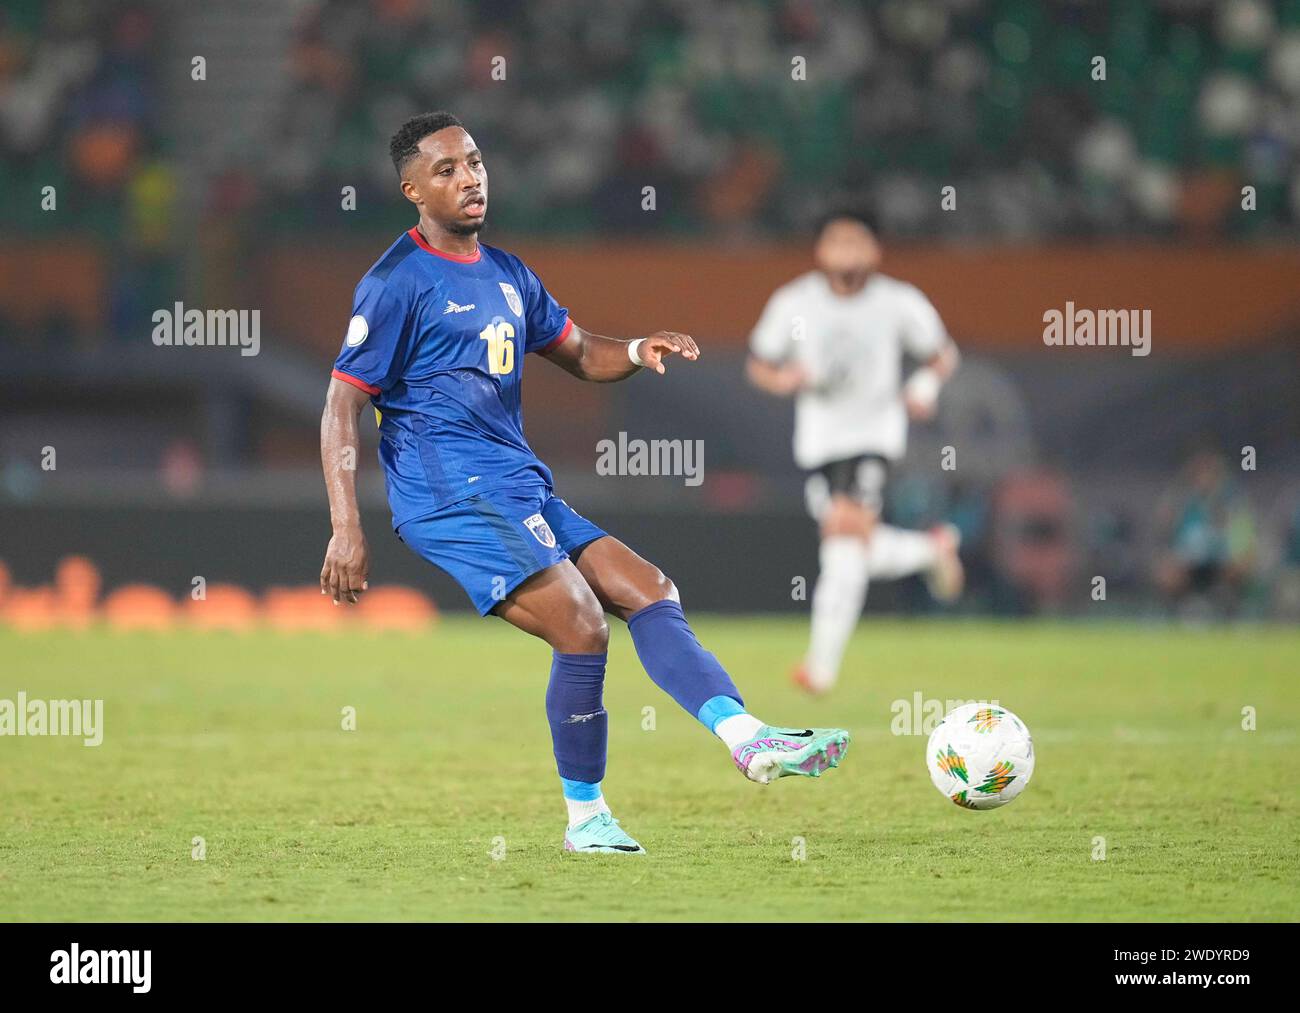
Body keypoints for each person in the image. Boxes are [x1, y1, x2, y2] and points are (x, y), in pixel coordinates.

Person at [318, 112, 850, 856]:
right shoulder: (394, 283)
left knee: (651, 589)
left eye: (474, 160)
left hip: (517, 482)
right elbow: (342, 402)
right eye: (445, 170)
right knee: (582, 621)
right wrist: (347, 523)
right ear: (411, 190)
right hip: (447, 494)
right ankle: (586, 818)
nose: (469, 178)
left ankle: (747, 736)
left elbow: (577, 352)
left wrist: (637, 345)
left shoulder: (509, 275)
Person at [747, 210, 963, 694]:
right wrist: (784, 379)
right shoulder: (795, 302)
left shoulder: (898, 302)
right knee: (848, 551)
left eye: (857, 241)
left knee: (845, 536)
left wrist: (924, 387)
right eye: (837, 241)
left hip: (872, 438)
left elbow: (942, 354)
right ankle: (930, 549)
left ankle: (820, 670)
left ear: (874, 250)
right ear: (821, 250)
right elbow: (759, 362)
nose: (847, 250)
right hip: (818, 443)